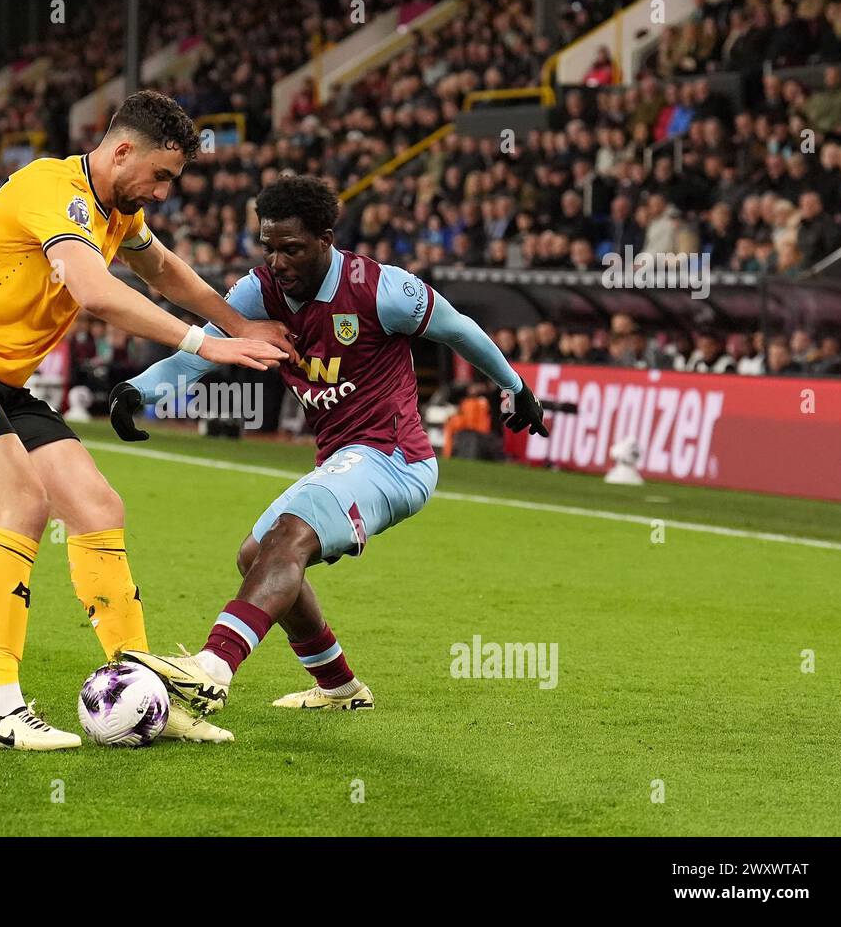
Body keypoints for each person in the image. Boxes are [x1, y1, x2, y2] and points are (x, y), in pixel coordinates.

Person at [0, 90, 290, 751]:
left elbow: (164, 270)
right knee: (22, 504)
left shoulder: (115, 209)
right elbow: (95, 294)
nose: (162, 192)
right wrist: (208, 345)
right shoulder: (54, 187)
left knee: (97, 506)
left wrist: (240, 323)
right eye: (160, 175)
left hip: (1, 377)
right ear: (121, 151)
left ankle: (144, 692)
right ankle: (0, 711)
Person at [109, 176, 546, 722]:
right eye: (268, 247)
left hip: (394, 458)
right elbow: (204, 352)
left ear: (325, 239)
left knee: (290, 536)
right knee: (255, 555)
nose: (277, 262)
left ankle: (212, 668)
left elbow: (460, 331)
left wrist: (515, 386)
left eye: (290, 249)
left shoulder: (381, 290)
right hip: (340, 458)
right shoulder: (257, 293)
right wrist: (139, 390)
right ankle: (338, 686)